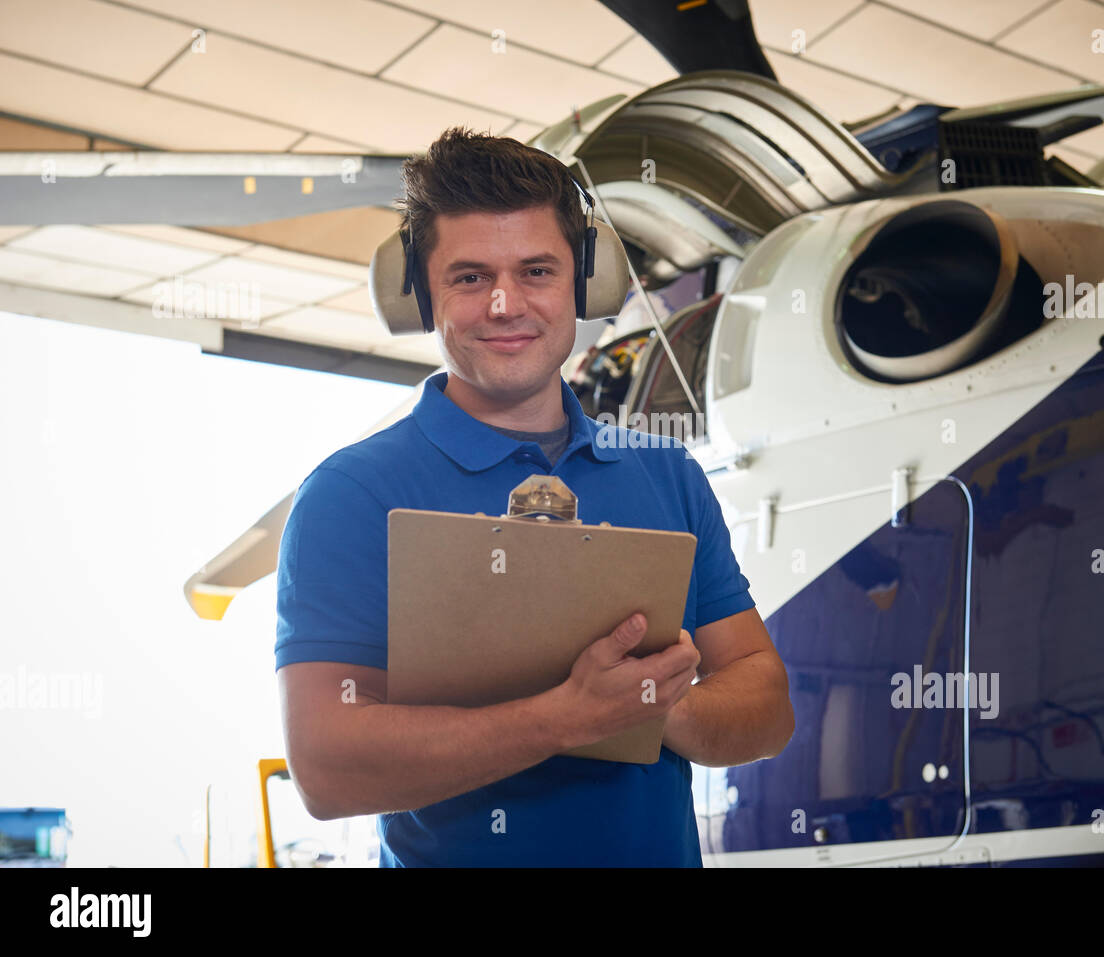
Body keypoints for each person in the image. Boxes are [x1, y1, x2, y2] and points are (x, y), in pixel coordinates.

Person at [274, 126, 794, 867]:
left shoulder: (666, 475)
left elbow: (767, 709)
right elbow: (325, 768)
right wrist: (562, 718)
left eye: (538, 270)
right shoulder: (351, 494)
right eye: (469, 277)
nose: (505, 303)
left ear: (583, 283)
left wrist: (652, 702)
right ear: (422, 292)